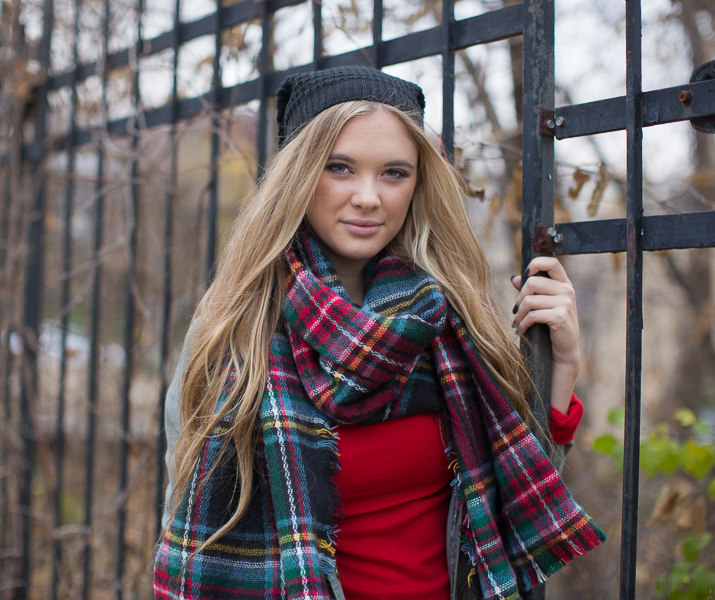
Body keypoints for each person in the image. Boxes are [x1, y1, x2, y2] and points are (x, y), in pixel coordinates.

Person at [153, 66, 604, 600]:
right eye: (339, 167)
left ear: (418, 183)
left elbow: (520, 497)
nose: (368, 197)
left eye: (394, 173)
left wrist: (563, 365)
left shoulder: (450, 315)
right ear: (298, 174)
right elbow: (187, 515)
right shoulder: (234, 327)